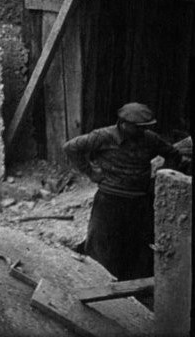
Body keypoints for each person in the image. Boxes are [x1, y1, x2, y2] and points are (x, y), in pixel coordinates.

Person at [63, 102, 183, 281]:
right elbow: (71, 147)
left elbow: (173, 154)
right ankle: (98, 284)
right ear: (123, 124)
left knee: (136, 247)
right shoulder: (103, 136)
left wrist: (159, 180)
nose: (143, 131)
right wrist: (91, 172)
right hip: (109, 199)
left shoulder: (150, 139)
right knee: (102, 246)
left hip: (139, 201)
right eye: (138, 128)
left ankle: (132, 289)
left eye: (145, 127)